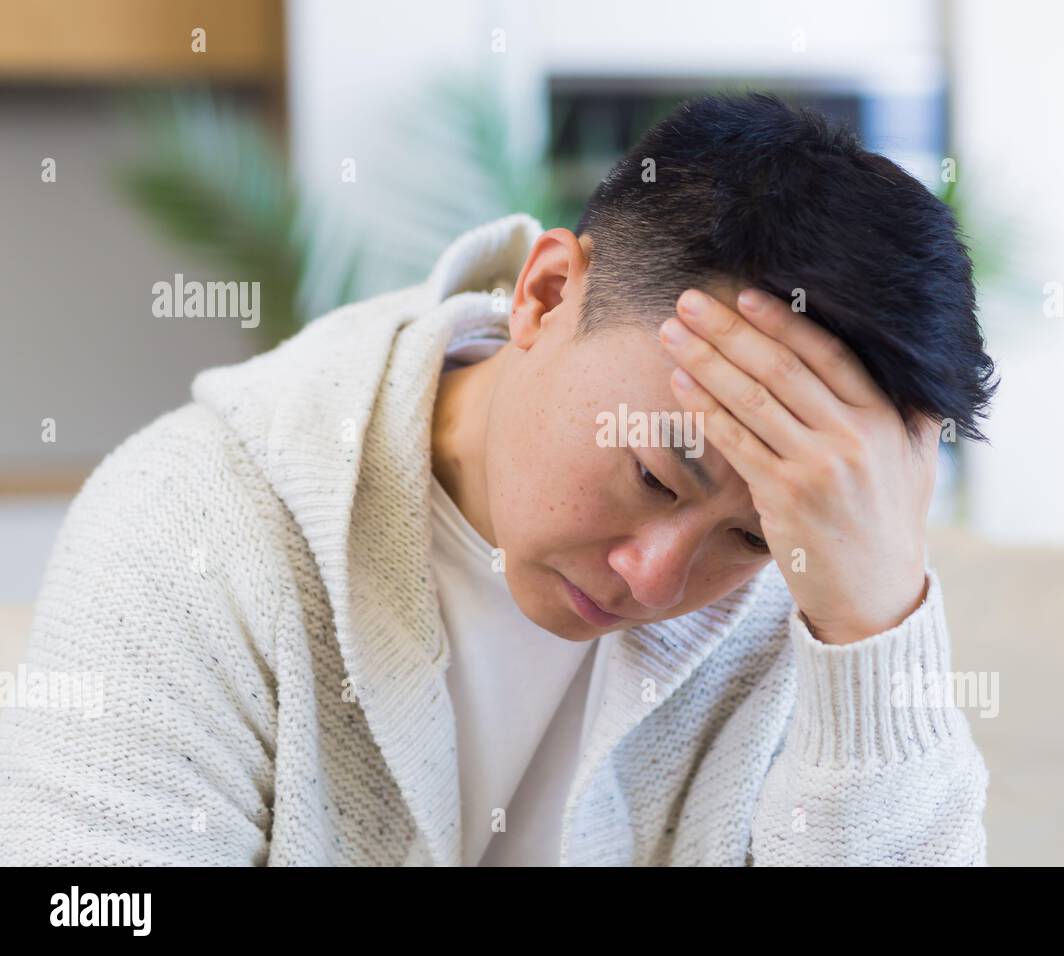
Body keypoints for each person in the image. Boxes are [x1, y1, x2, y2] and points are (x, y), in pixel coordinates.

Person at [0, 91, 997, 866]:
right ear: (547, 292)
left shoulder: (813, 592)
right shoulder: (189, 524)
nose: (652, 580)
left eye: (750, 537)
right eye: (655, 472)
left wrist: (872, 629)